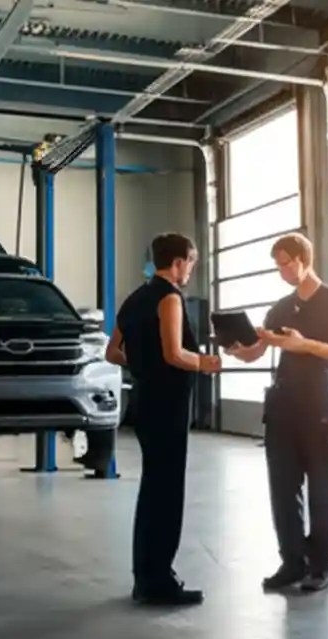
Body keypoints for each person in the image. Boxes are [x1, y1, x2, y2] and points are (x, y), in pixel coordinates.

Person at [223, 232, 328, 593]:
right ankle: (292, 561)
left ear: (304, 258)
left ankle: (320, 565)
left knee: (321, 490)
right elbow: (256, 352)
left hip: (321, 410)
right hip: (283, 410)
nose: (282, 270)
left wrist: (307, 345)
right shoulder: (280, 308)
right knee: (282, 489)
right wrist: (239, 347)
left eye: (287, 263)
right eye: (277, 265)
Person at [106, 232, 220, 606]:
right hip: (168, 406)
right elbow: (174, 353)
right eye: (191, 262)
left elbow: (112, 352)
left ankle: (147, 576)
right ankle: (159, 582)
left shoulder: (135, 299)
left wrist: (142, 366)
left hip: (144, 404)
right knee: (167, 493)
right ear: (178, 263)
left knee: (153, 490)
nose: (191, 270)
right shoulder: (168, 297)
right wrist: (205, 363)